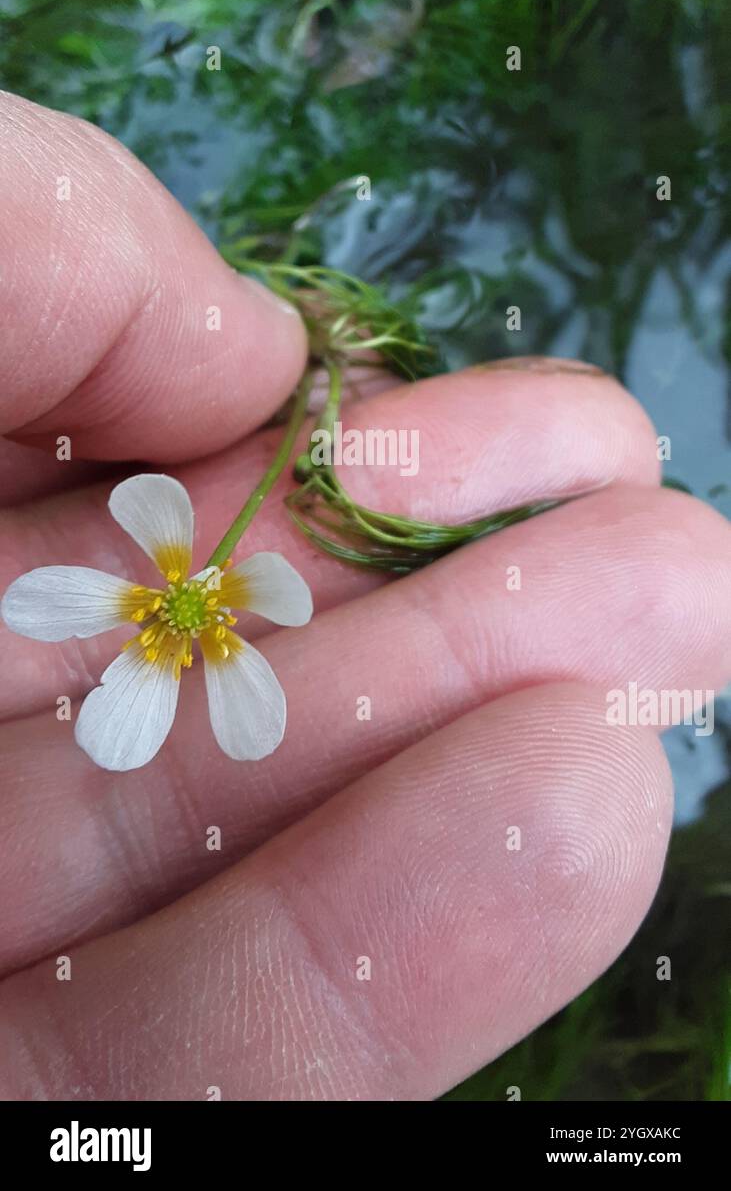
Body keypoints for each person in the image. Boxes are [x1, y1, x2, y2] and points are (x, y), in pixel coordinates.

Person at [0, 90, 729, 1101]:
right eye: (184, 607)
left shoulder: (229, 595)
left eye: (190, 607)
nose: (180, 612)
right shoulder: (172, 580)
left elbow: (265, 598)